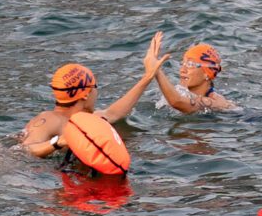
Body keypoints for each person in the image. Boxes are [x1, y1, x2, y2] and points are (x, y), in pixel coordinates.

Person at [20, 32, 171, 158]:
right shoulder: (49, 119)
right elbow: (26, 150)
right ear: (86, 94)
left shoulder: (86, 119)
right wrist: (59, 142)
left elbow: (114, 113)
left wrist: (148, 77)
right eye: (95, 87)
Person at [156, 42, 238, 114]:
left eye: (190, 64)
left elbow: (177, 102)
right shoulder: (183, 92)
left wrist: (156, 70)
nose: (182, 70)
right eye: (183, 63)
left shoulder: (214, 102)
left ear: (207, 73)